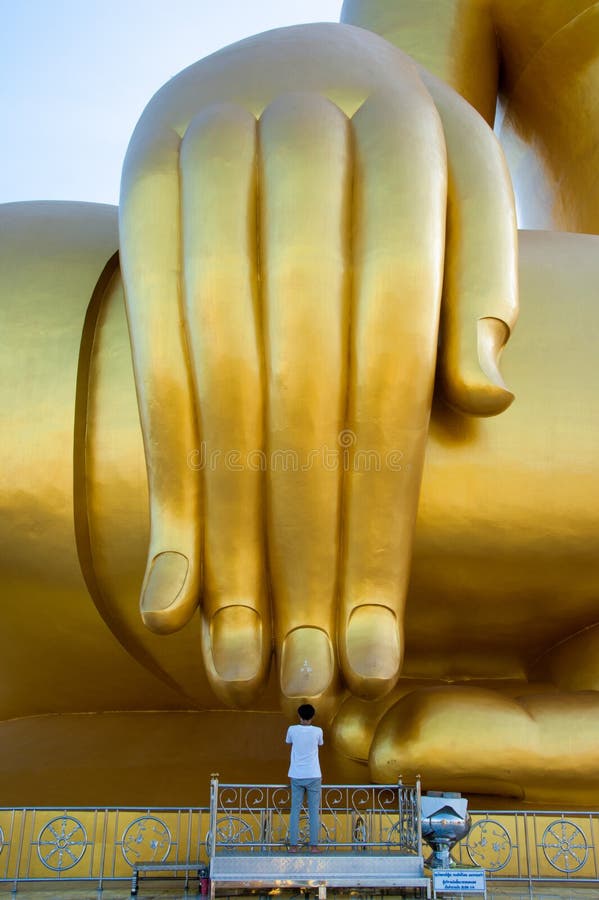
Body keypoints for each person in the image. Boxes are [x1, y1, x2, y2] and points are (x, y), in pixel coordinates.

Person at [286, 704, 324, 852]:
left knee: (295, 810)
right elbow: (320, 743)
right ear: (313, 716)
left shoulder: (292, 729)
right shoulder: (318, 731)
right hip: (314, 775)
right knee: (314, 811)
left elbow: (288, 741)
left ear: (299, 715)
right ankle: (314, 846)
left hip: (296, 775)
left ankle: (294, 846)